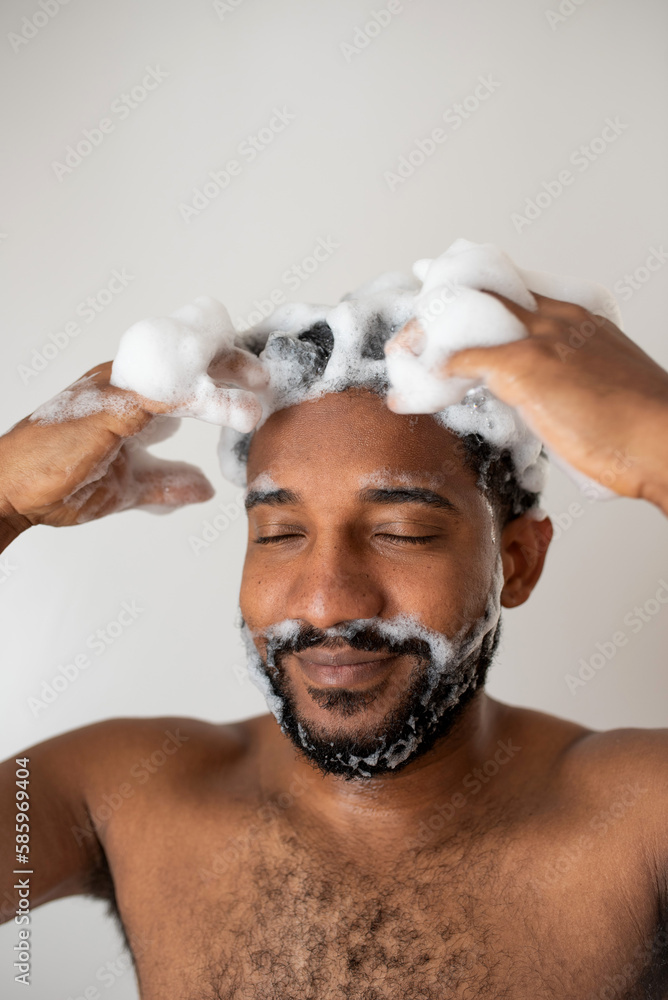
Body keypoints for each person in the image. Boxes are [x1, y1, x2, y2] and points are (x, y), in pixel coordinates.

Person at [1, 288, 667, 999]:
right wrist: (5, 500)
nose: (325, 602)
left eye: (401, 533)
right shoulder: (120, 794)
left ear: (519, 561)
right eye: (280, 534)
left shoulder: (641, 819)